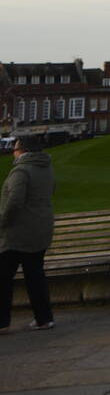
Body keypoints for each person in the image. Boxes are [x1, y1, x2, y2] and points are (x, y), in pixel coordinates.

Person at [0, 135, 56, 333]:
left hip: (17, 234)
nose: (13, 153)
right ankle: (44, 318)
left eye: (15, 149)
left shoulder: (21, 171)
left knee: (3, 277)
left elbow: (14, 202)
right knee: (35, 275)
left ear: (22, 151)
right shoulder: (46, 168)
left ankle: (2, 322)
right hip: (40, 230)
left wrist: (2, 222)